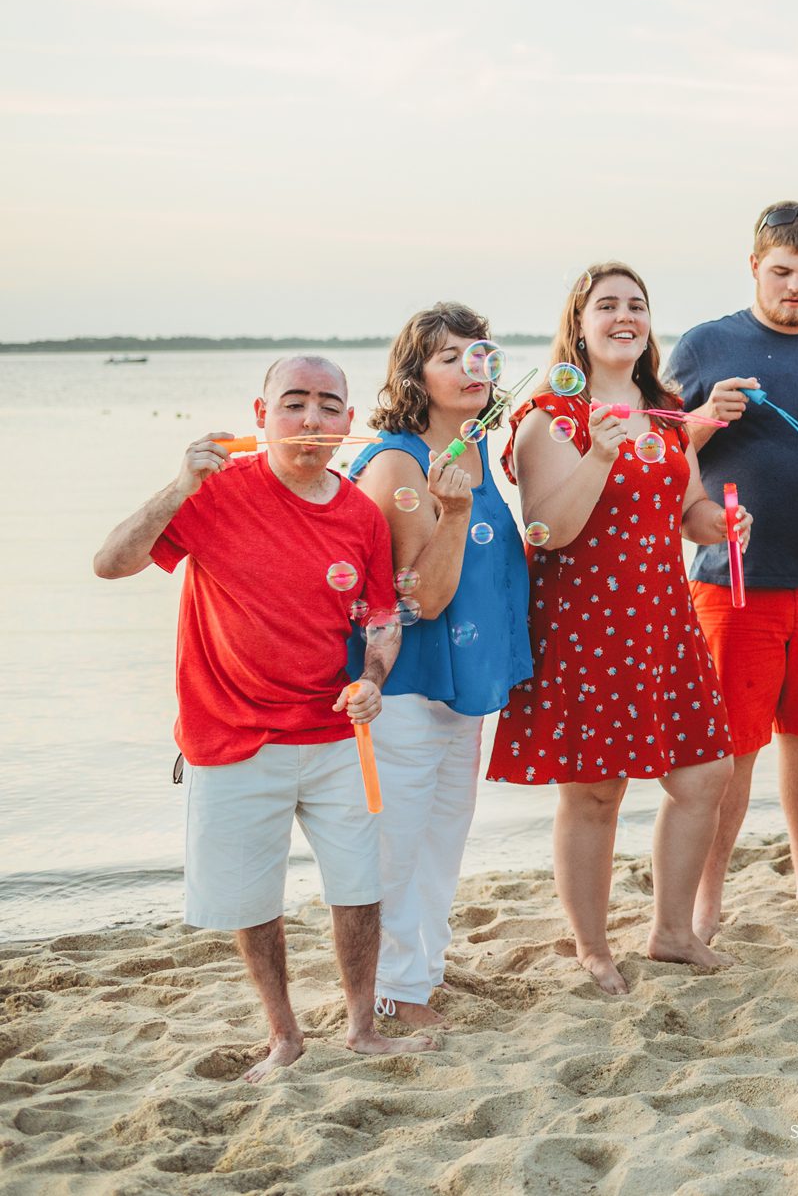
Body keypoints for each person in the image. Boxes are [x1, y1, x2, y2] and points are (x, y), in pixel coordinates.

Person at [91, 356, 435, 1081]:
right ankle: (284, 1033)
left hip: (335, 731)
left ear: (347, 421)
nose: (310, 420)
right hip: (231, 733)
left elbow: (380, 618)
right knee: (250, 895)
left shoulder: (361, 513)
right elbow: (110, 562)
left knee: (359, 885)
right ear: (262, 413)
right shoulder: (213, 494)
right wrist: (180, 484)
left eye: (327, 405)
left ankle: (363, 1027)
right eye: (294, 403)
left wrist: (373, 677)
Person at [487, 262, 747, 991]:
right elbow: (549, 528)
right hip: (585, 622)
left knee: (706, 772)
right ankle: (592, 944)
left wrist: (724, 525)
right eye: (608, 305)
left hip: (664, 619)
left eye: (637, 304)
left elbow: (688, 507)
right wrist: (600, 451)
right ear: (579, 322)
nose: (625, 315)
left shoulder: (663, 404)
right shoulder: (549, 413)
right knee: (595, 791)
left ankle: (670, 931)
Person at [667, 201, 798, 939]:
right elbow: (658, 452)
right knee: (730, 746)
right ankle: (705, 897)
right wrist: (702, 420)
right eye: (782, 272)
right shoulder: (704, 346)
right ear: (754, 266)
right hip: (733, 579)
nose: (796, 286)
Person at [349, 305, 533, 1027]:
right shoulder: (398, 460)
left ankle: (418, 975)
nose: (470, 367)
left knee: (441, 838)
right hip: (404, 687)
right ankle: (388, 993)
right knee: (395, 846)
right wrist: (452, 515)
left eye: (479, 353)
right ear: (415, 376)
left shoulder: (473, 450)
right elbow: (422, 597)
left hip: (460, 687)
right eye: (449, 356)